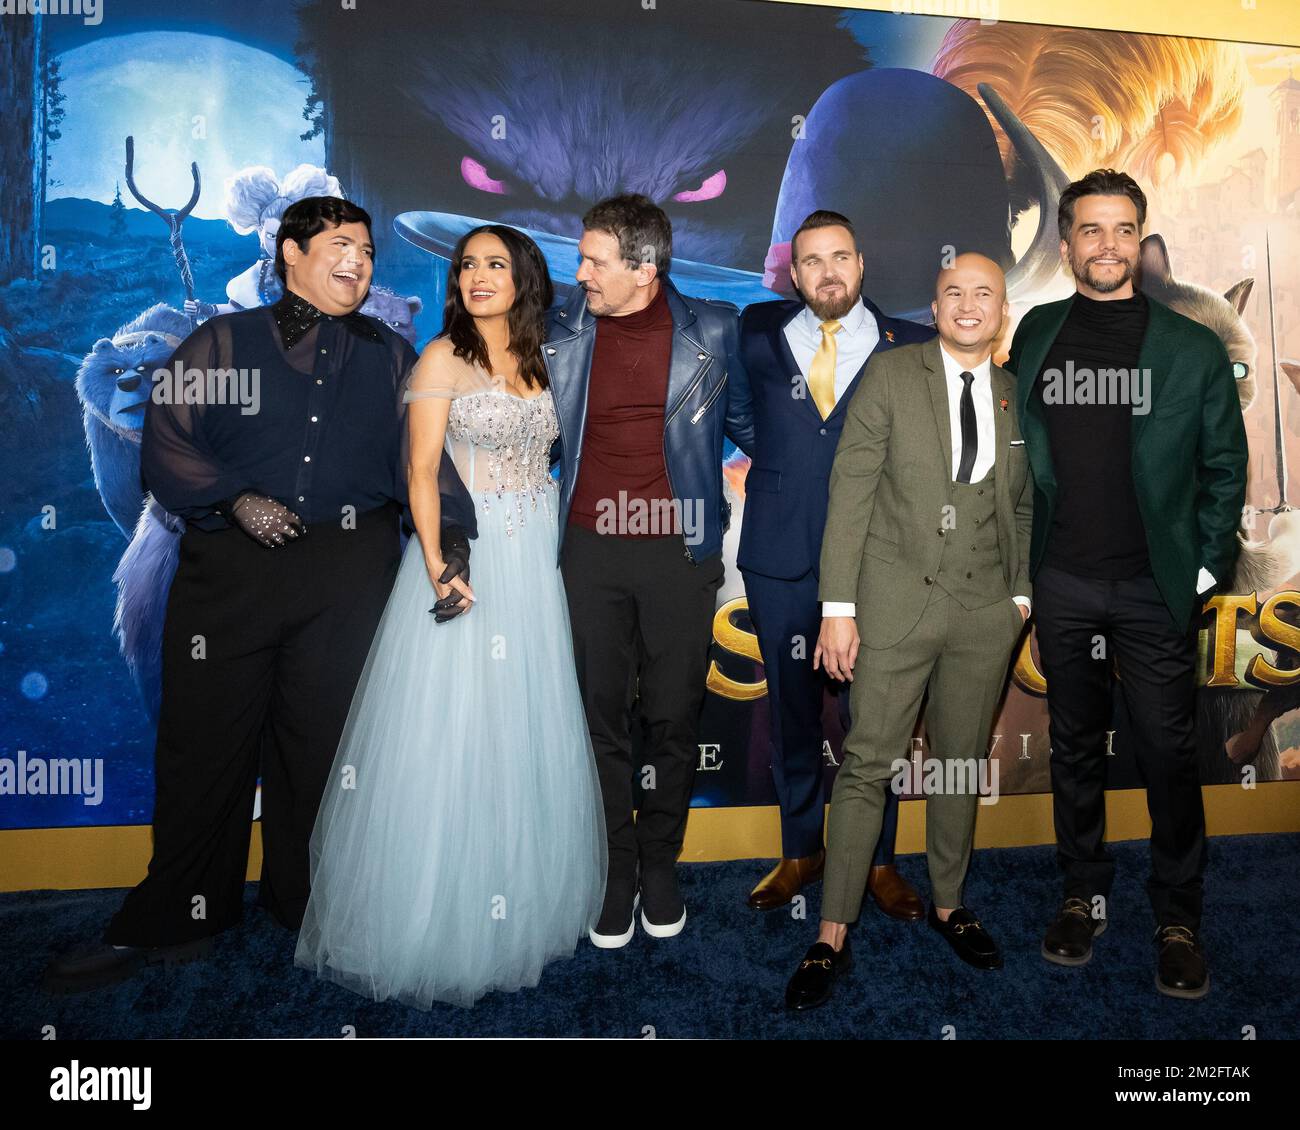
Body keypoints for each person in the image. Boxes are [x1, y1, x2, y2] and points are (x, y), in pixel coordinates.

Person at [43, 196, 475, 994]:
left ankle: (307, 908)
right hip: (229, 582)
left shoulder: (387, 355)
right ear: (288, 252)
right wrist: (237, 498)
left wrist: (451, 541)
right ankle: (176, 918)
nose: (359, 261)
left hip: (345, 582)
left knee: (321, 756)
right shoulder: (220, 342)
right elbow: (167, 444)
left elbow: (421, 459)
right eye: (340, 245)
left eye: (369, 251)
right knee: (203, 750)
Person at [294, 225, 606, 1008]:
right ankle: (437, 924)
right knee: (455, 734)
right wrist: (441, 570)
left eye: (494, 264)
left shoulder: (550, 358)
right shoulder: (441, 358)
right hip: (469, 560)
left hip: (539, 556)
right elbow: (421, 472)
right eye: (466, 266)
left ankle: (520, 908)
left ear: (525, 276)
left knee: (524, 729)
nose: (476, 277)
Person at [1005, 169, 1246, 999]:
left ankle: (1178, 915)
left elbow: (1225, 468)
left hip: (1153, 589)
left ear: (1139, 240)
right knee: (1073, 748)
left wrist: (1204, 568)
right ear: (1066, 240)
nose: (1107, 246)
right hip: (1063, 582)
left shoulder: (1191, 348)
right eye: (1091, 230)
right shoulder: (1035, 333)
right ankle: (1082, 893)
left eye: (1122, 230)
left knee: (1170, 754)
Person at [785, 254, 1032, 1011]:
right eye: (954, 291)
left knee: (959, 762)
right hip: (893, 607)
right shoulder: (892, 376)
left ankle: (952, 904)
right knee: (867, 765)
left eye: (983, 294)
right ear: (934, 303)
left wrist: (1019, 598)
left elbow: (1021, 504)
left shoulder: (1014, 396)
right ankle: (830, 933)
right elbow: (850, 494)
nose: (967, 305)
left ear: (1000, 313)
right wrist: (838, 609)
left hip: (984, 615)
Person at [547, 193, 753, 947]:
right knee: (599, 719)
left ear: (645, 267)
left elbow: (754, 432)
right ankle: (617, 868)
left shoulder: (716, 331)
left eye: (595, 261)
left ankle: (661, 864)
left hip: (678, 554)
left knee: (672, 717)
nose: (581, 274)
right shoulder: (560, 329)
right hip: (588, 551)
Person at [734, 210, 931, 918]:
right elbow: (737, 413)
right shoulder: (755, 331)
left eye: (839, 257)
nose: (827, 272)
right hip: (779, 554)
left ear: (861, 262)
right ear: (794, 272)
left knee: (874, 721)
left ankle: (878, 861)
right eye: (811, 261)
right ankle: (799, 852)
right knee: (790, 714)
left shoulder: (910, 344)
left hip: (878, 563)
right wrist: (787, 469)